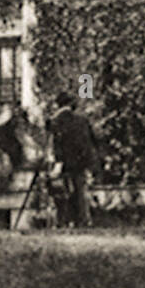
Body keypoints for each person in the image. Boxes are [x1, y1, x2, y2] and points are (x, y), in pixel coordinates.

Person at [49, 91, 99, 228]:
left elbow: (57, 143)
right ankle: (83, 220)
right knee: (80, 190)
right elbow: (93, 141)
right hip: (82, 160)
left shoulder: (56, 121)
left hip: (65, 162)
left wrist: (57, 163)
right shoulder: (82, 120)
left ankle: (64, 220)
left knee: (63, 192)